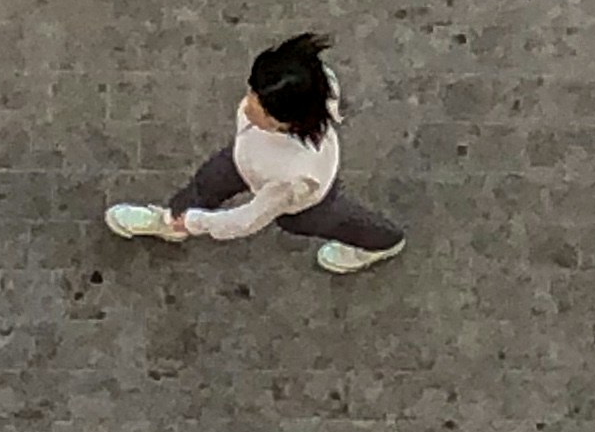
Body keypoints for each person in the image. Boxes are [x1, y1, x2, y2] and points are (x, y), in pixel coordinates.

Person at [105, 33, 404, 275]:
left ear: (287, 123)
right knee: (208, 181)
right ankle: (171, 221)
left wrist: (198, 223)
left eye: (261, 112)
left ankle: (383, 242)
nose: (247, 107)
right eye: (252, 93)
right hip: (246, 160)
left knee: (330, 220)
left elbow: (247, 219)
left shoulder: (292, 177)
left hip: (303, 200)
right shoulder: (313, 84)